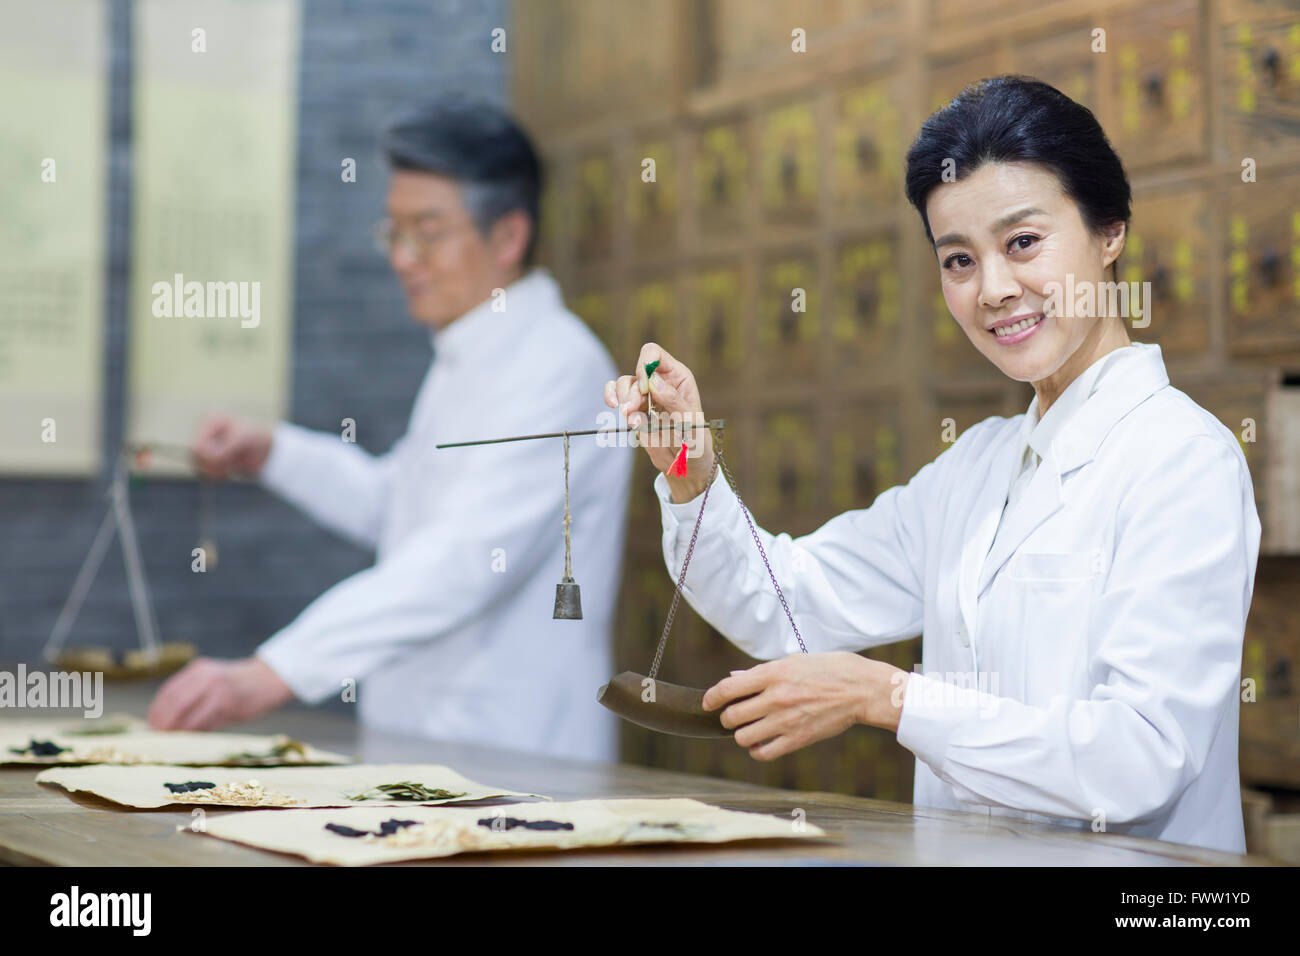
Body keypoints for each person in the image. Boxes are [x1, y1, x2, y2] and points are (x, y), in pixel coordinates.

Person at [605, 76, 1260, 853]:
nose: (994, 290)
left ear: (1109, 228)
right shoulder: (978, 467)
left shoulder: (1183, 461)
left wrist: (888, 697)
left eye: (1023, 243)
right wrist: (690, 471)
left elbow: (1137, 758)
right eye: (958, 259)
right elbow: (787, 607)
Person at [149, 96, 631, 762]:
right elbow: (400, 508)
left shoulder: (559, 367)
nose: (403, 258)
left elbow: (463, 557)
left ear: (509, 236)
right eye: (393, 233)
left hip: (518, 753)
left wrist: (274, 671)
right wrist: (274, 453)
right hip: (428, 741)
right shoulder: (467, 355)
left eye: (427, 232)